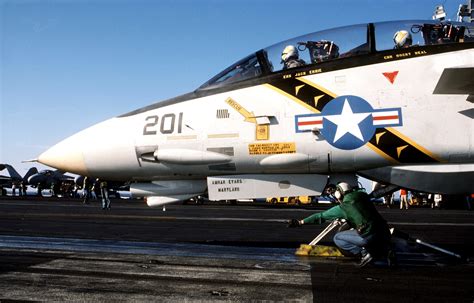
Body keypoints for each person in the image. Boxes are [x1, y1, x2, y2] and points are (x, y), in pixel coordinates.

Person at [288, 182, 391, 267]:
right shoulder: (363, 196)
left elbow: (320, 216)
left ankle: (366, 253)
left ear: (339, 193)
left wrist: (300, 222)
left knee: (337, 238)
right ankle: (386, 251)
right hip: (384, 232)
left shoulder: (344, 207)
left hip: (369, 235)